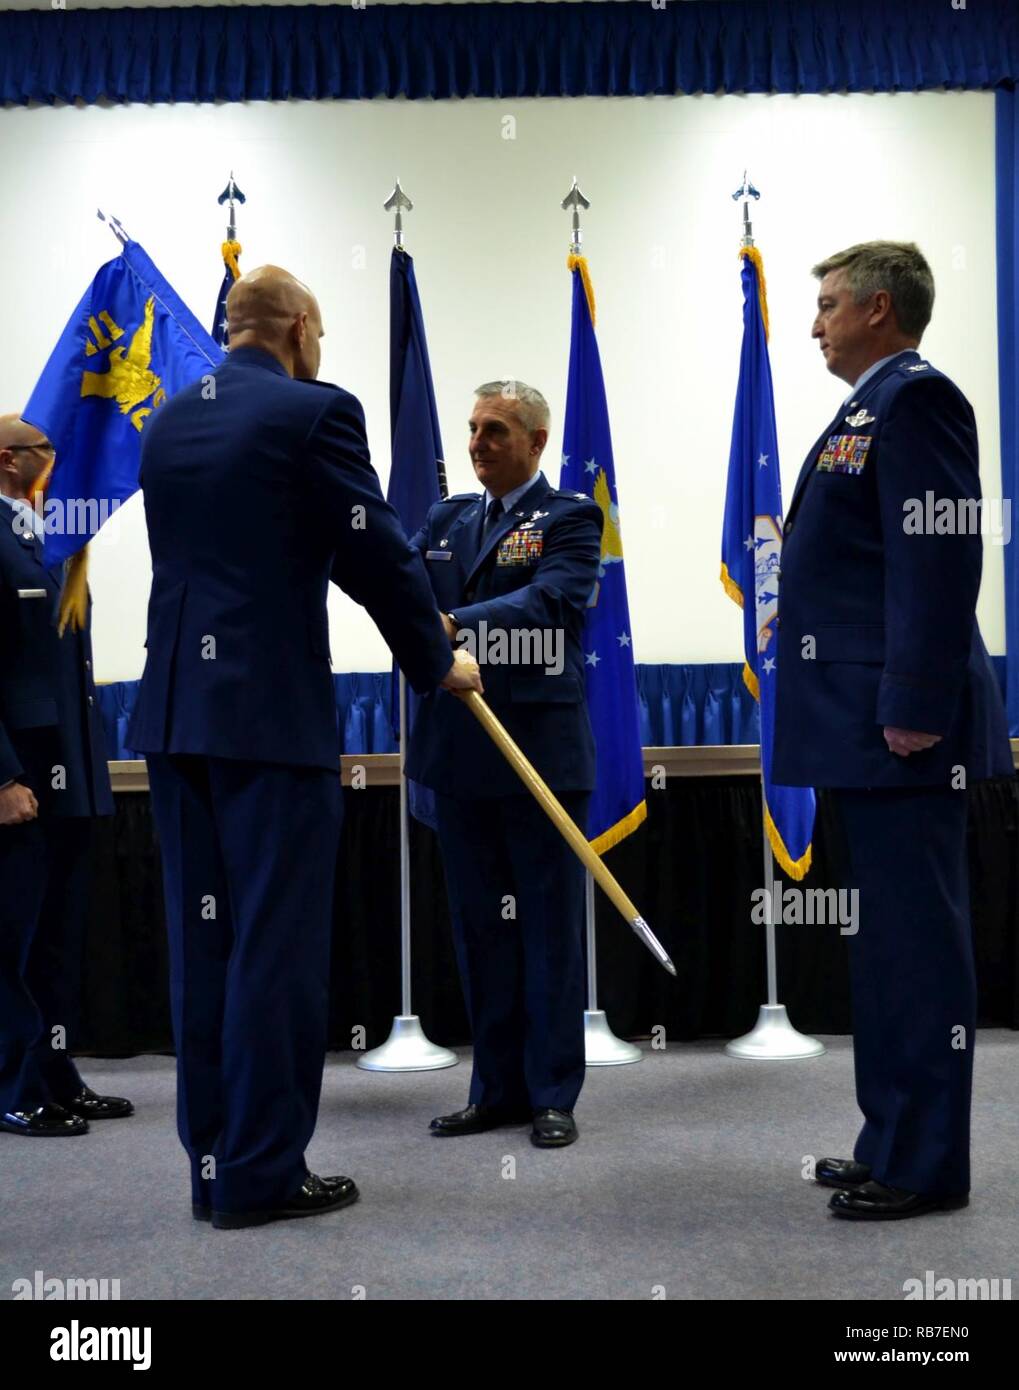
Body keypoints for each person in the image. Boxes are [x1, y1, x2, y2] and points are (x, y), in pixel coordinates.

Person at [127, 266, 481, 1229]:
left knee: (204, 950)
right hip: (268, 723)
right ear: (299, 326)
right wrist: (433, 654)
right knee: (275, 952)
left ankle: (211, 1166)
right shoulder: (312, 412)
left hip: (171, 719)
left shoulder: (168, 420)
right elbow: (371, 545)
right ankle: (262, 1172)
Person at [773, 241, 1012, 1220]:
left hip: (897, 728)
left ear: (878, 308)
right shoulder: (865, 406)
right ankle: (888, 1138)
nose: (813, 320)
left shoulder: (917, 400)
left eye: (827, 303)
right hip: (855, 727)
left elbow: (940, 556)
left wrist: (914, 704)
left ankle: (922, 1164)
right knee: (879, 948)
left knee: (912, 946)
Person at [406, 380, 603, 1148]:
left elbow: (554, 603)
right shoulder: (445, 518)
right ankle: (494, 1089)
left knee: (547, 931)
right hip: (461, 755)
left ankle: (552, 1093)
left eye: (494, 430)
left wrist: (452, 621)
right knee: (480, 930)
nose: (477, 442)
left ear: (534, 442)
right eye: (472, 428)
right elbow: (403, 589)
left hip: (539, 757)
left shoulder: (570, 516)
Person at [0, 415, 131, 1138]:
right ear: (11, 461)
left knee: (55, 941)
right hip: (19, 778)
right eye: (52, 456)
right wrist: (3, 777)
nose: (64, 470)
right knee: (13, 943)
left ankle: (56, 1074)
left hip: (67, 775)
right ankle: (12, 1086)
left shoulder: (47, 543)